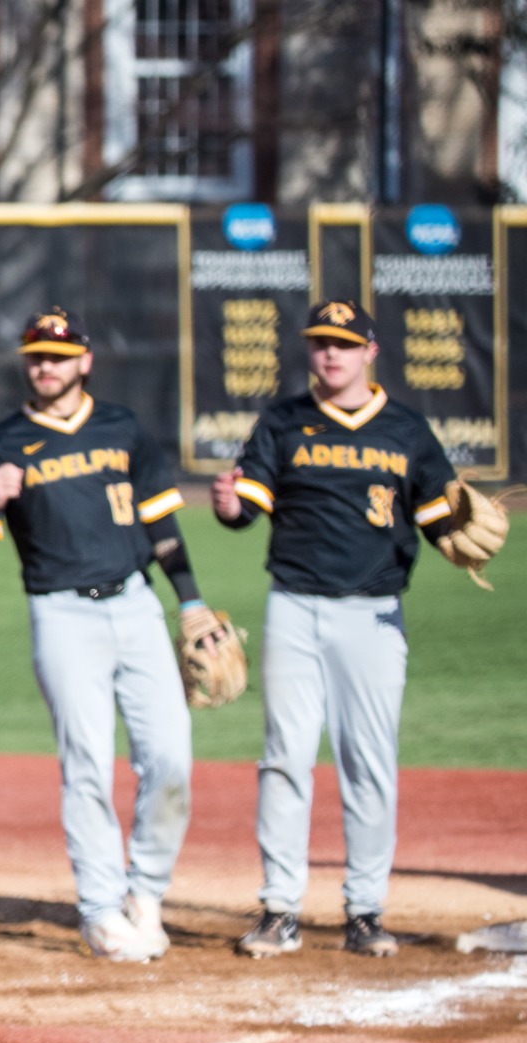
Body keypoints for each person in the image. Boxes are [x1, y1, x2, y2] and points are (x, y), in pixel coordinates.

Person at [0, 307, 219, 962]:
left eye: (59, 354)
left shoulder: (123, 428)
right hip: (61, 613)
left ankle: (146, 893)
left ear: (85, 361)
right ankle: (100, 908)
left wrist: (192, 604)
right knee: (87, 766)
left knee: (172, 757)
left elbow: (162, 528)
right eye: (37, 355)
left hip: (136, 605)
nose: (47, 365)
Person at [213, 300, 460, 959]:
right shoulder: (284, 421)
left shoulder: (406, 430)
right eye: (321, 343)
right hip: (295, 605)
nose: (331, 354)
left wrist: (463, 531)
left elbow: (442, 521)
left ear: (369, 352)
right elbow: (247, 508)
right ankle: (279, 908)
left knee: (368, 761)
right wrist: (230, 505)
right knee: (285, 756)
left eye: (344, 345)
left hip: (374, 614)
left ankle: (365, 910)